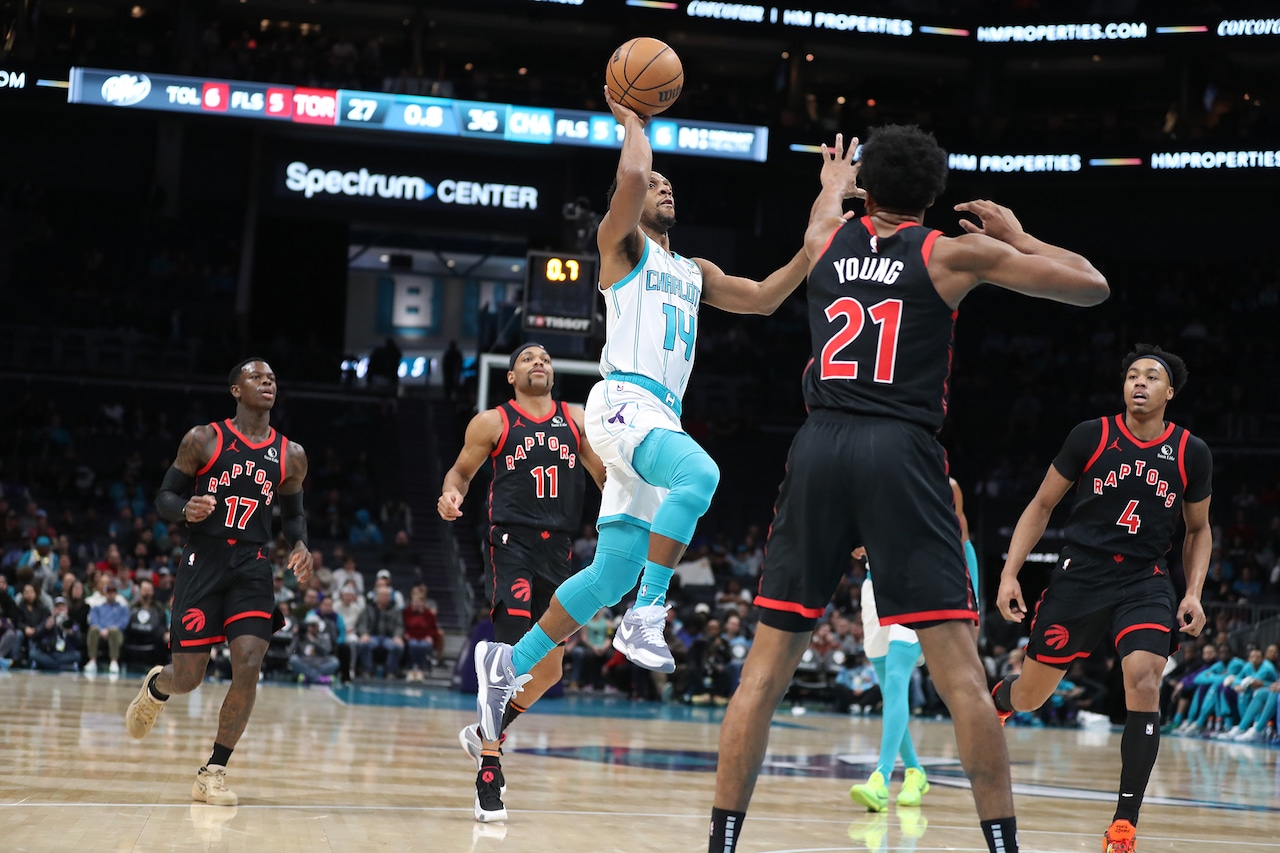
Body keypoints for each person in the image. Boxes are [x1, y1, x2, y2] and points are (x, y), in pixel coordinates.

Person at [708, 126, 1109, 853]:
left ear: (866, 191)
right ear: (931, 195)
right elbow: (1091, 285)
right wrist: (1019, 237)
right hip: (900, 449)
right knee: (961, 676)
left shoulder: (824, 238)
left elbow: (825, 208)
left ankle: (721, 842)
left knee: (762, 674)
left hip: (819, 443)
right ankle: (1004, 846)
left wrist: (834, 182)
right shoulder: (948, 253)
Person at [474, 86, 822, 751]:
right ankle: (648, 611)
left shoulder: (693, 269)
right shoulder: (622, 245)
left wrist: (812, 244)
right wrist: (633, 123)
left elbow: (762, 298)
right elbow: (633, 176)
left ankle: (511, 663)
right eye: (654, 184)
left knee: (611, 573)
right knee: (701, 473)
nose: (663, 189)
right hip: (622, 401)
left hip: (659, 412)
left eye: (669, 186)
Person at [992, 344, 1211, 853]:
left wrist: (1194, 592)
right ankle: (1001, 700)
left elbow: (1199, 529)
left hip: (1144, 579)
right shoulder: (1091, 435)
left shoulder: (1190, 451)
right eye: (1132, 375)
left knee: (1145, 680)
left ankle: (1124, 823)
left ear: (1169, 392)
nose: (1139, 383)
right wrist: (1009, 574)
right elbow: (1041, 504)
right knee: (1031, 697)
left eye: (1151, 377)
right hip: (1081, 577)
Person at [125, 357, 312, 807]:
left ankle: (213, 771)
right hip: (203, 562)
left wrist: (301, 544)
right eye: (256, 377)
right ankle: (157, 687)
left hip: (253, 565)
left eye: (272, 378)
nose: (267, 382)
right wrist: (184, 508)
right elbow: (164, 496)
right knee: (188, 677)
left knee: (248, 662)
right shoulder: (203, 439)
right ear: (235, 390)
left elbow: (293, 515)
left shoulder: (291, 454)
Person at [439, 343, 605, 823]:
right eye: (529, 359)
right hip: (512, 542)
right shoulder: (492, 422)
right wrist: (450, 494)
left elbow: (603, 475)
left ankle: (483, 732)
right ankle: (489, 772)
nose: (539, 363)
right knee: (511, 656)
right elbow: (461, 472)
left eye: (546, 359)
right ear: (510, 376)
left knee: (549, 672)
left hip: (560, 549)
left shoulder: (576, 418)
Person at [848, 479, 978, 812]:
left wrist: (973, 607)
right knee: (889, 690)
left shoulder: (947, 485)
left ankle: (880, 779)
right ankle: (915, 772)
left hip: (921, 587)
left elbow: (964, 544)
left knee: (896, 678)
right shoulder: (870, 480)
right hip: (875, 588)